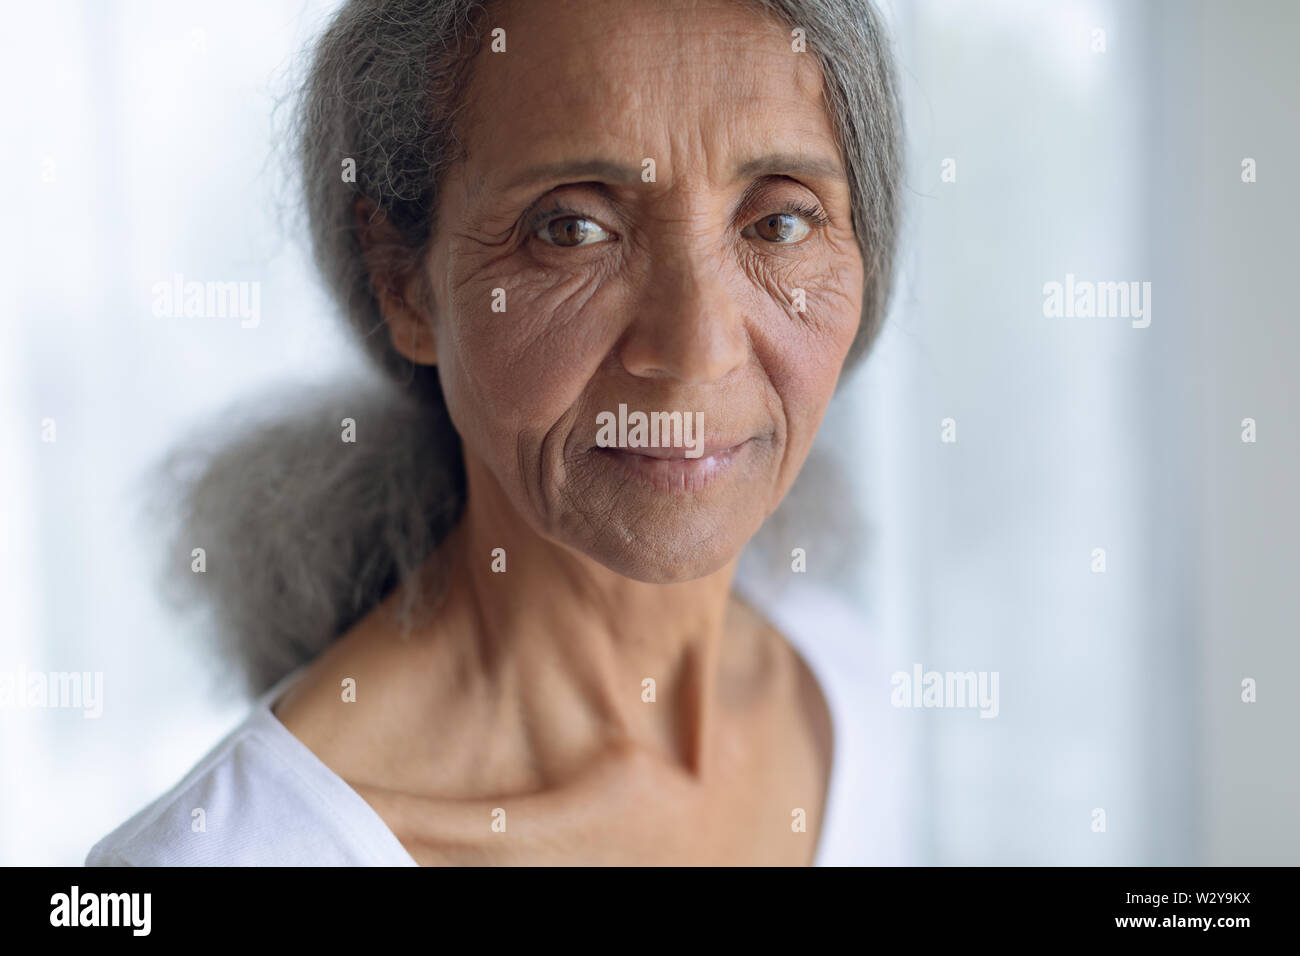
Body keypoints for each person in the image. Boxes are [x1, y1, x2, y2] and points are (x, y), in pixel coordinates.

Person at [87, 0, 903, 866]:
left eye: (780, 221)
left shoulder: (843, 691)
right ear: (403, 281)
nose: (698, 353)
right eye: (572, 228)